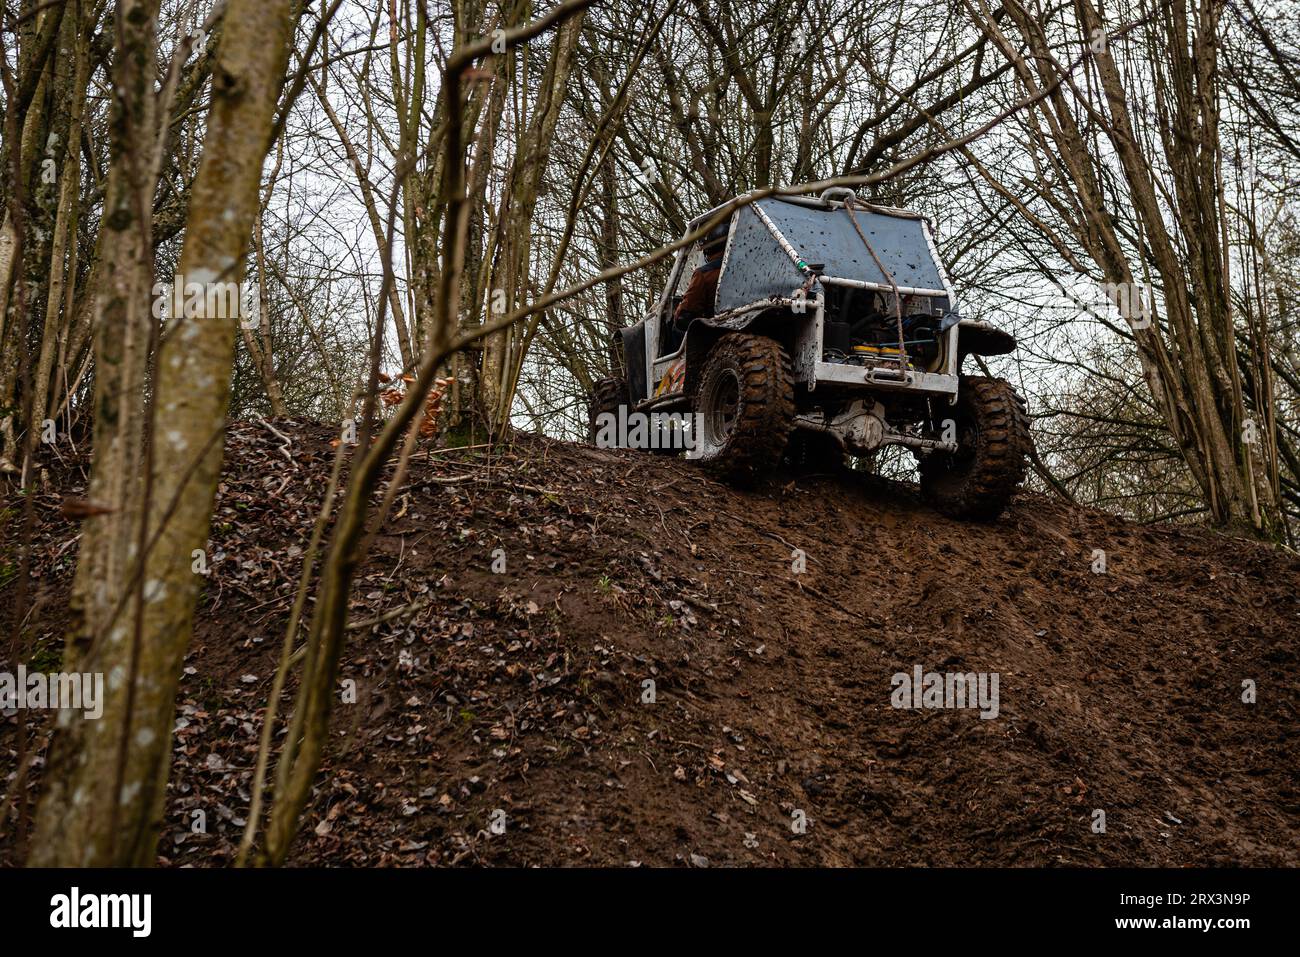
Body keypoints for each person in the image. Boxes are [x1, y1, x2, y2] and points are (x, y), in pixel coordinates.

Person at [673, 222, 728, 331]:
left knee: (675, 329)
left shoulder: (703, 275)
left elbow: (684, 315)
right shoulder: (748, 268)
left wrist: (678, 309)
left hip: (714, 331)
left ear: (709, 247)